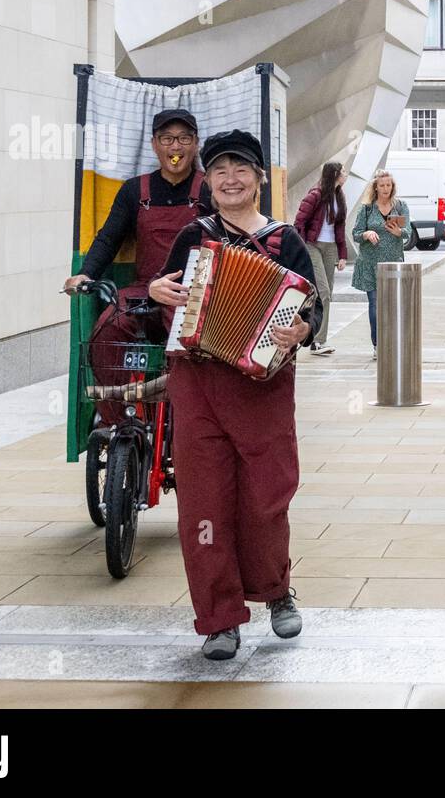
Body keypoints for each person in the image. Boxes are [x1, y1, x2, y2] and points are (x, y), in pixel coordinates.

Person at [149, 129, 322, 661]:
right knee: (204, 505)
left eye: (241, 170)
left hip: (262, 388)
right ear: (209, 179)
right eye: (220, 170)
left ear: (259, 179)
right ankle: (219, 619)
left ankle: (275, 591)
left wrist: (301, 330)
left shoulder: (285, 240)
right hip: (198, 382)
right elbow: (169, 294)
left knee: (267, 497)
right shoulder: (192, 237)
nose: (230, 179)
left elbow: (312, 309)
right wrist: (158, 290)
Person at [64, 109, 211, 422]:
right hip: (144, 290)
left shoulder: (210, 189)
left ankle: (187, 420)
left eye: (184, 138)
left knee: (190, 347)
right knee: (107, 330)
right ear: (154, 145)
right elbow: (108, 238)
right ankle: (119, 420)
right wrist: (85, 274)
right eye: (167, 139)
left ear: (196, 144)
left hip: (193, 295)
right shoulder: (134, 190)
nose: (176, 147)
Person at [350, 168, 411, 360]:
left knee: (394, 305)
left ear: (392, 187)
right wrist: (367, 234)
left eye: (388, 185)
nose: (385, 188)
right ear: (375, 187)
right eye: (382, 185)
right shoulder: (366, 209)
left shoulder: (401, 206)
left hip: (394, 263)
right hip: (371, 264)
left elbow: (408, 231)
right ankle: (377, 344)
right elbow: (355, 234)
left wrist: (399, 233)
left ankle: (394, 342)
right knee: (375, 305)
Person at [293, 162, 349, 356]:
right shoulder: (315, 195)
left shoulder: (340, 196)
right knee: (322, 290)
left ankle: (319, 339)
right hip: (313, 245)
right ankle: (316, 341)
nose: (345, 174)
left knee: (328, 293)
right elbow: (299, 222)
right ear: (334, 174)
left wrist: (342, 254)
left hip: (330, 247)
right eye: (342, 172)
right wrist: (301, 248)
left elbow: (340, 228)